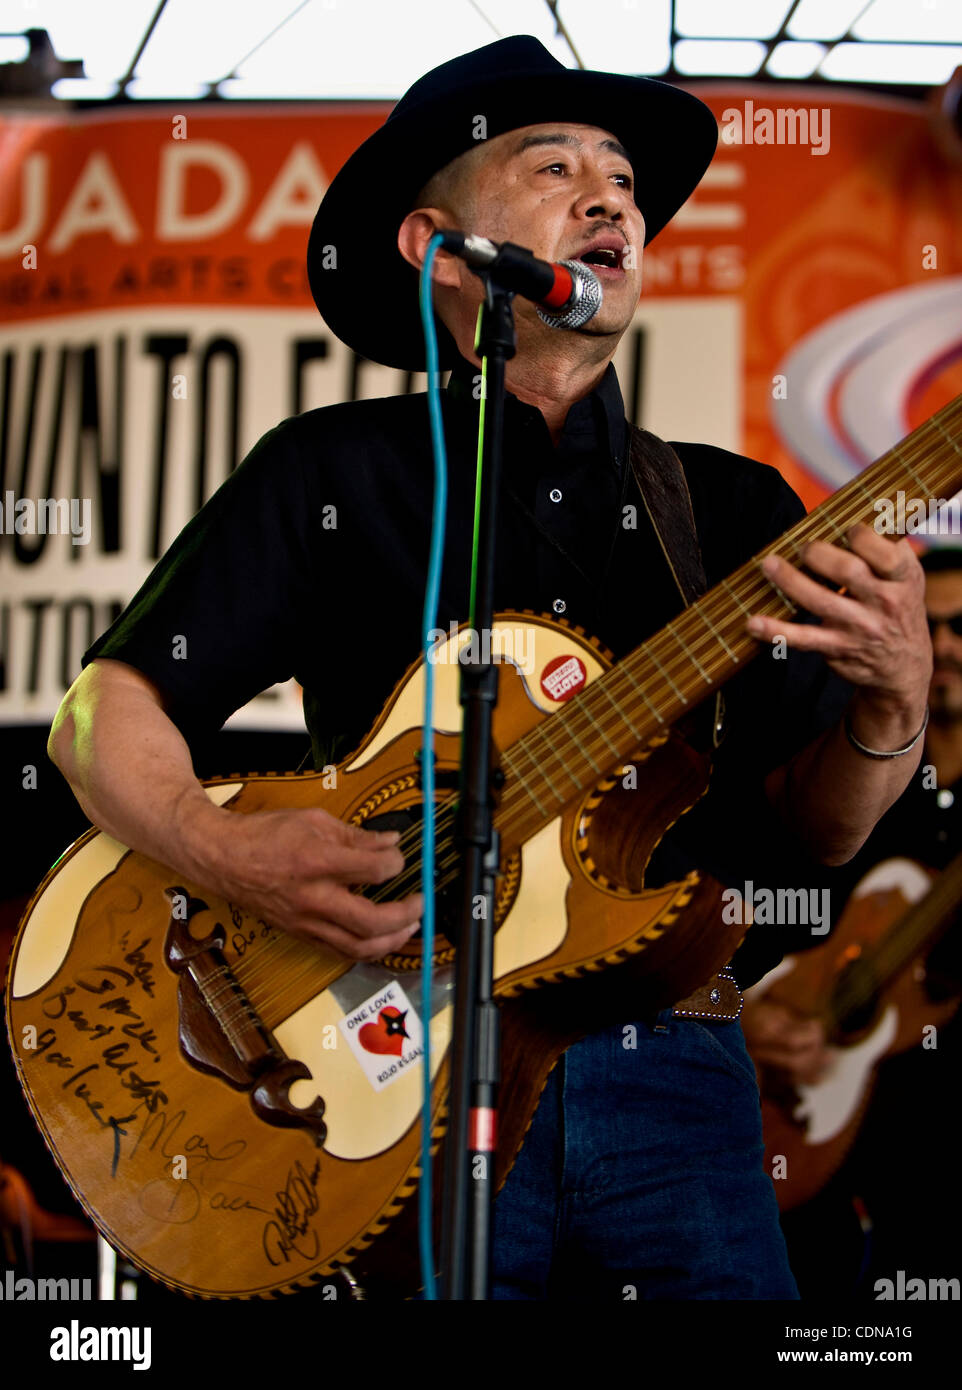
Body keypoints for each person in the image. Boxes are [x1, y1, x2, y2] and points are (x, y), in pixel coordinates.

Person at [47, 36, 932, 1300]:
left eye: (624, 181)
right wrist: (219, 847)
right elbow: (99, 715)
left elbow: (817, 834)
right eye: (554, 164)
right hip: (384, 1068)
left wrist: (891, 707)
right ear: (432, 246)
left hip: (675, 1077)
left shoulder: (732, 509)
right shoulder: (331, 473)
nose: (610, 197)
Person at [742, 547, 962, 1297]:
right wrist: (749, 1015)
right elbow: (753, 914)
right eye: (924, 626)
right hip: (807, 1165)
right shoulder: (837, 776)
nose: (945, 647)